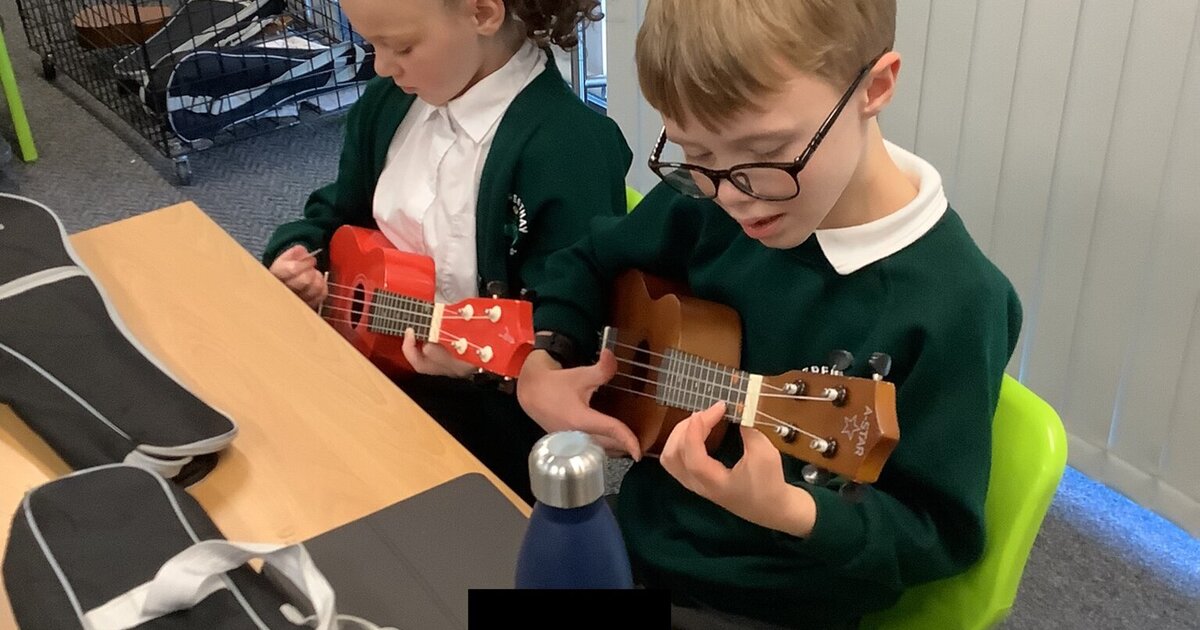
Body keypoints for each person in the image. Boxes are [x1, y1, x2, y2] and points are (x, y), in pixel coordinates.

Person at [516, 1, 1022, 627]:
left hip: (774, 603)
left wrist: (794, 511)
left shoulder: (956, 302)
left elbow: (937, 533)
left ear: (875, 87)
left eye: (765, 152)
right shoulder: (716, 201)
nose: (731, 195)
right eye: (696, 155)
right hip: (637, 533)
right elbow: (589, 258)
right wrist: (547, 354)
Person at [262, 0, 632, 504]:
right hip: (360, 359)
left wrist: (488, 369)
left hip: (482, 418)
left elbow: (573, 311)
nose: (381, 66)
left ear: (481, 13)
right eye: (373, 45)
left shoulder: (570, 147)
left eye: (402, 47)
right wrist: (299, 253)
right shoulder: (387, 104)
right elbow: (337, 209)